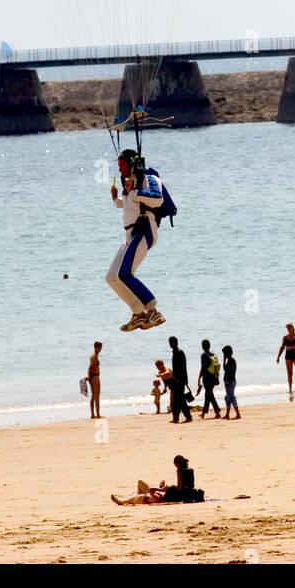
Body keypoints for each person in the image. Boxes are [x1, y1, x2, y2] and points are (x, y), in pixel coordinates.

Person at [105, 149, 166, 331]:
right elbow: (129, 205)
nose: (121, 171)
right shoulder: (129, 185)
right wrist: (117, 199)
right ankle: (138, 313)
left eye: (123, 167)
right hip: (130, 236)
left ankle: (153, 310)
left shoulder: (149, 181)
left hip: (144, 231)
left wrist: (135, 191)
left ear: (132, 165)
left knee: (125, 274)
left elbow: (158, 199)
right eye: (119, 168)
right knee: (111, 277)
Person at [168, 336, 192, 424]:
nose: (170, 344)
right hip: (178, 379)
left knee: (177, 400)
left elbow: (182, 367)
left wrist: (182, 380)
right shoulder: (176, 352)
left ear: (175, 343)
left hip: (179, 380)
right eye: (169, 342)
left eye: (171, 342)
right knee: (179, 400)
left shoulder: (179, 353)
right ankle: (181, 417)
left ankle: (178, 418)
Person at [196, 339, 221, 419]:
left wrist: (199, 378)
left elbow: (203, 367)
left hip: (207, 378)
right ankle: (211, 412)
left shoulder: (204, 355)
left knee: (209, 395)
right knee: (209, 394)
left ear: (203, 347)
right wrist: (217, 378)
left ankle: (207, 412)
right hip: (213, 377)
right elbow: (217, 367)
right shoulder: (214, 355)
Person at [222, 345, 240, 420]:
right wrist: (224, 360)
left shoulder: (231, 360)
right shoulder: (230, 360)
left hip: (230, 381)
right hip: (231, 381)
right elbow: (225, 368)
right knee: (227, 398)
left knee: (231, 397)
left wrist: (228, 381)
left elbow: (229, 371)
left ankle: (238, 414)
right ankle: (227, 414)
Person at [85, 342, 102, 419]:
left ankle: (94, 414)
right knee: (96, 396)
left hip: (95, 376)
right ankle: (96, 414)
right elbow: (90, 367)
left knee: (95, 396)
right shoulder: (94, 357)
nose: (99, 349)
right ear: (95, 347)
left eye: (100, 348)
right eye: (98, 347)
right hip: (94, 377)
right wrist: (89, 377)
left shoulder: (95, 356)